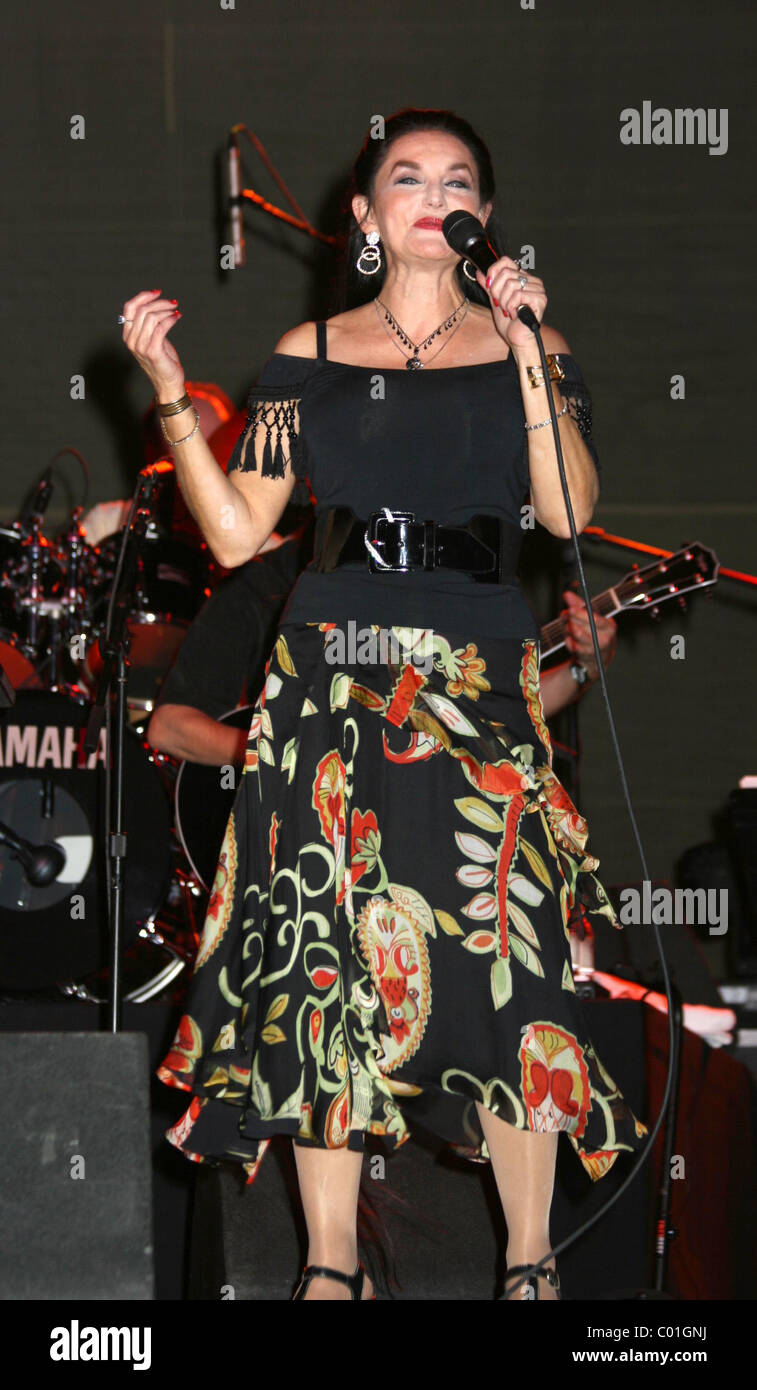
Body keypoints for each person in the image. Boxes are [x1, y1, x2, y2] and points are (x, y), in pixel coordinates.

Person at [121, 107, 647, 1303]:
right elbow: (238, 527)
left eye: (455, 178)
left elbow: (564, 512)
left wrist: (525, 341)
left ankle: (527, 1267)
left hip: (475, 673)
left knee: (509, 955)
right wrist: (164, 392)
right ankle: (328, 1266)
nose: (430, 191)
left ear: (480, 213)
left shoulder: (529, 335)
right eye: (402, 176)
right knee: (327, 958)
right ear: (363, 217)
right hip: (331, 674)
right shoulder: (306, 355)